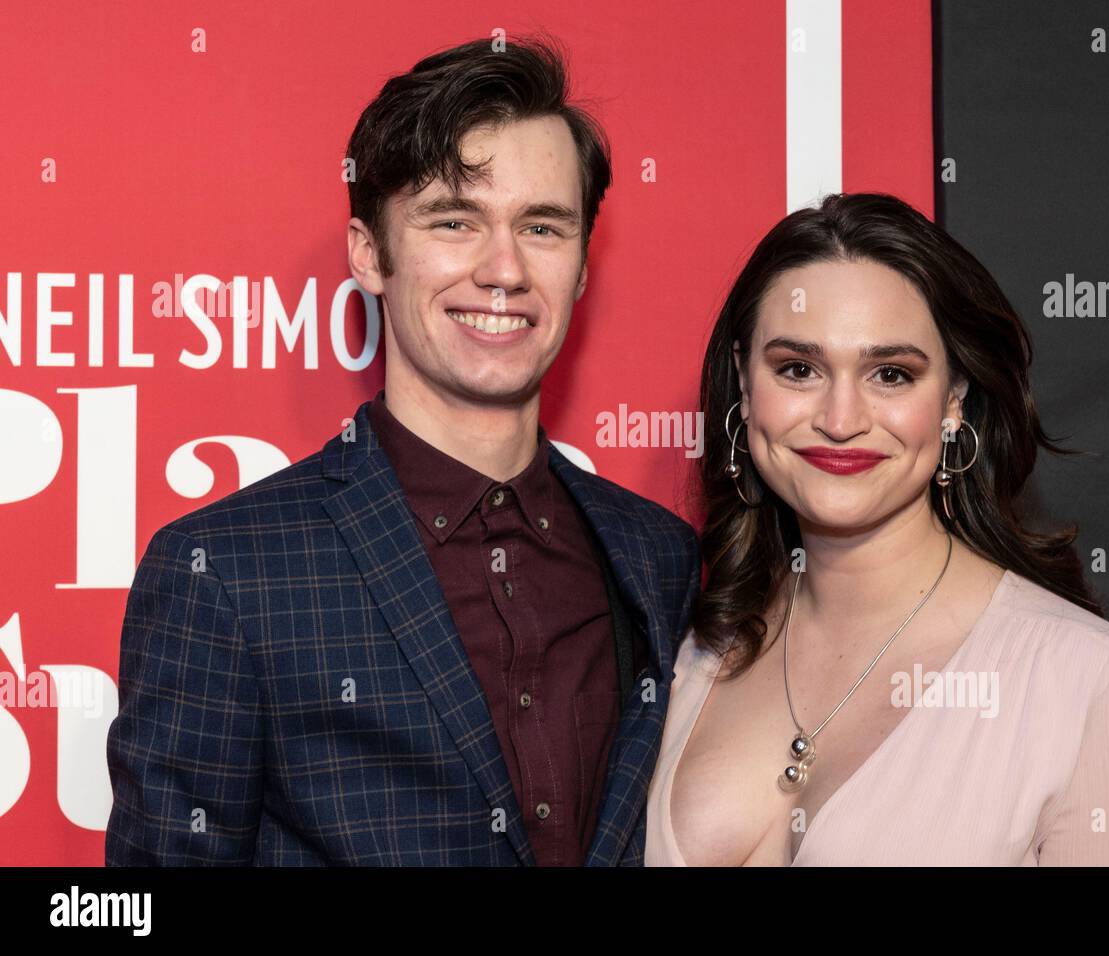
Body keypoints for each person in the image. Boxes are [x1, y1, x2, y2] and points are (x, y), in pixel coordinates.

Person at [105, 36, 698, 866]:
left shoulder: (660, 559)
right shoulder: (225, 573)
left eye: (542, 226)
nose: (504, 269)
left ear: (583, 266)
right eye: (454, 221)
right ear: (368, 253)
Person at [645, 193, 1109, 866]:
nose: (841, 417)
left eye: (890, 374)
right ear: (743, 381)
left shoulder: (1091, 683)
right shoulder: (689, 656)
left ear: (954, 399)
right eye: (798, 368)